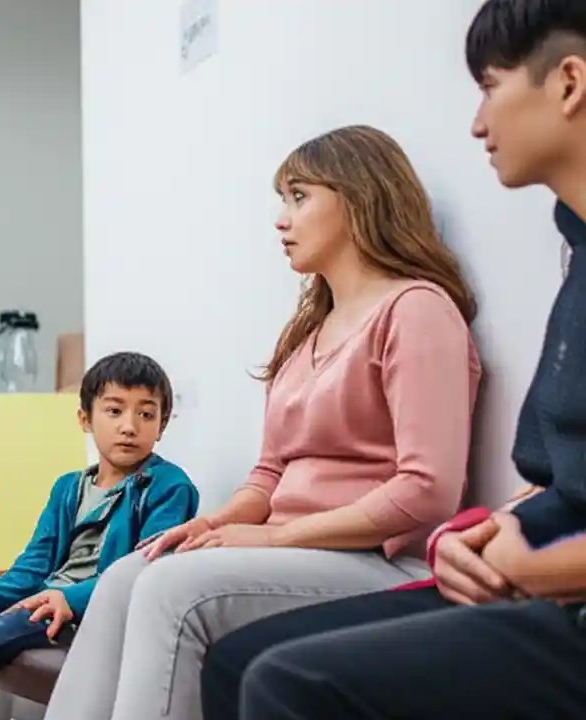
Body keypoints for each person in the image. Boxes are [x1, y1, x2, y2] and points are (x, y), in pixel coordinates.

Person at [200, 4, 586, 717]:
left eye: (490, 87)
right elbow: (556, 487)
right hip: (522, 577)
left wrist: (531, 564)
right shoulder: (577, 265)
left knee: (280, 679)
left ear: (568, 83)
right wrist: (480, 538)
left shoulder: (416, 311)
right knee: (234, 660)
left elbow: (425, 486)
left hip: (547, 593)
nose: (475, 124)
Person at [43, 125, 482, 720]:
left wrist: (276, 535)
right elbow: (270, 473)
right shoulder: (306, 335)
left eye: (299, 197)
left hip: (379, 561)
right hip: (298, 553)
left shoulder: (418, 311)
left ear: (359, 198)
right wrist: (210, 525)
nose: (282, 218)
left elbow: (428, 490)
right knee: (129, 573)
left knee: (171, 591)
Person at [0, 352, 199, 720]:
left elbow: (145, 571)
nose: (130, 426)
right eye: (114, 411)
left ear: (161, 425)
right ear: (85, 418)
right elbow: (33, 564)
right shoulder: (68, 488)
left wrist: (70, 597)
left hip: (88, 614)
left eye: (146, 414)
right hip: (38, 604)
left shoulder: (169, 487)